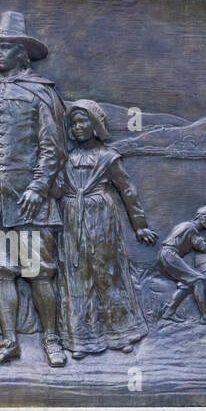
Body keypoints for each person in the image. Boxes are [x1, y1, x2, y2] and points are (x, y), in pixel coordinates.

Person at [0, 10, 67, 368]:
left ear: (23, 53)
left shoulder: (41, 92)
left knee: (39, 271)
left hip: (30, 194)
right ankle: (8, 342)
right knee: (0, 272)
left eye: (6, 47)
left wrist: (39, 188)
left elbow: (52, 146)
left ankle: (52, 339)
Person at [54, 100, 157, 358]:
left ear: (96, 124)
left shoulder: (108, 157)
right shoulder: (66, 157)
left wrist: (140, 225)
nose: (77, 127)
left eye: (83, 121)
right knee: (76, 277)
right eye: (74, 123)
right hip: (71, 217)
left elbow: (128, 191)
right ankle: (81, 339)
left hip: (100, 216)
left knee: (108, 273)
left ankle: (122, 333)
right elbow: (56, 189)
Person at [155, 206, 206, 326]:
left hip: (165, 255)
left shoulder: (184, 225)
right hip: (170, 255)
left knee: (187, 285)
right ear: (198, 216)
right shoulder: (191, 228)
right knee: (198, 280)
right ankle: (205, 317)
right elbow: (202, 247)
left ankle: (169, 312)